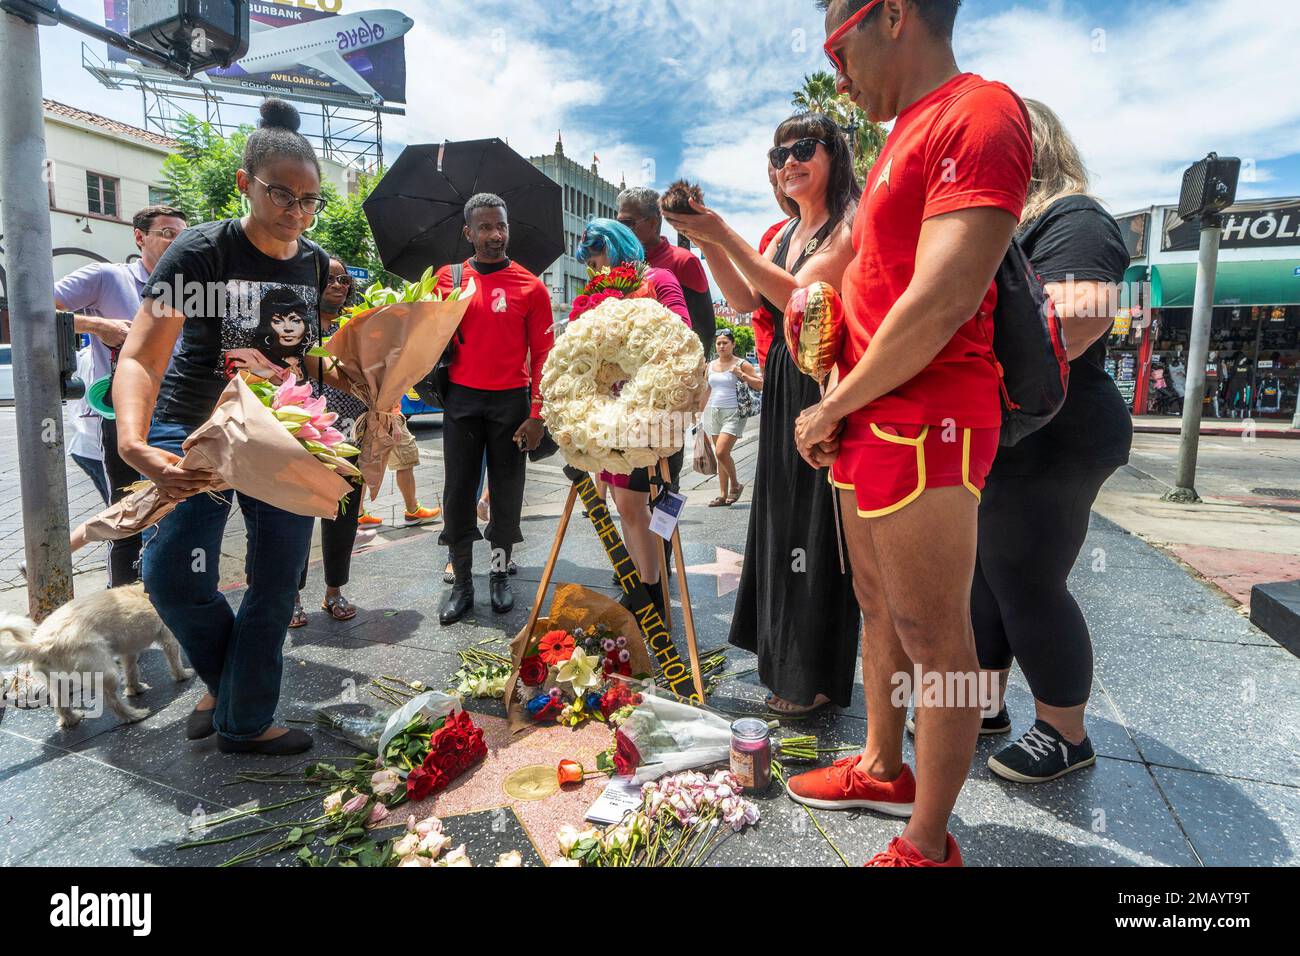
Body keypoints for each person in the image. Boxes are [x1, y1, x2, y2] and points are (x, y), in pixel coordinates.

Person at [789, 0, 1033, 867]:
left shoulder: (981, 110)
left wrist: (833, 403)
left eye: (834, 40)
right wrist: (811, 314)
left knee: (939, 639)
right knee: (878, 608)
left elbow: (943, 298)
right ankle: (884, 765)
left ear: (891, 13)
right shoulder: (899, 137)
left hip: (925, 416)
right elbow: (849, 269)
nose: (836, 64)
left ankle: (929, 844)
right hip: (868, 411)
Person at [114, 99, 338, 756]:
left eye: (309, 201)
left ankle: (244, 719)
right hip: (195, 427)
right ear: (244, 183)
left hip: (282, 434)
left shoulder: (315, 261)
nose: (296, 213)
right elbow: (140, 355)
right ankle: (227, 683)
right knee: (173, 579)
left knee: (276, 582)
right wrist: (134, 444)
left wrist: (354, 390)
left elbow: (304, 355)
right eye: (281, 195)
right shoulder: (200, 252)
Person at [665, 112, 860, 718]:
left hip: (823, 381)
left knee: (813, 527)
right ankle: (782, 661)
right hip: (780, 379)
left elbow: (796, 297)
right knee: (777, 521)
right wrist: (705, 238)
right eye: (779, 155)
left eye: (804, 148)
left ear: (834, 155)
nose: (789, 162)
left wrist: (722, 232)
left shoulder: (849, 225)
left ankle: (815, 677)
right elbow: (746, 296)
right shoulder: (780, 232)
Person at [968, 99, 1132, 785]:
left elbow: (1083, 314)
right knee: (988, 576)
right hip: (1013, 433)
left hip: (1058, 433)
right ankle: (982, 706)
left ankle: (1066, 731)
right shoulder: (1011, 223)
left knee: (1027, 578)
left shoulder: (1074, 216)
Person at [434, 193, 553, 625]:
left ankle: (499, 575)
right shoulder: (446, 280)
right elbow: (425, 340)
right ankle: (463, 581)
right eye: (484, 227)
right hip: (461, 400)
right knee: (458, 492)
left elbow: (543, 354)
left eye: (500, 225)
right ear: (468, 232)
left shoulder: (530, 286)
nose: (495, 235)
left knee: (507, 494)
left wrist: (537, 414)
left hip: (511, 403)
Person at [55, 204, 189, 584]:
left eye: (183, 235)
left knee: (164, 515)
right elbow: (32, 308)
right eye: (166, 233)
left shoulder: (187, 292)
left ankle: (159, 601)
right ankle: (123, 607)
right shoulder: (107, 277)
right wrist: (97, 325)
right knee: (128, 516)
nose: (176, 242)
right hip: (117, 422)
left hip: (173, 420)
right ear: (139, 237)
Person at [571, 218, 692, 618]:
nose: (594, 264)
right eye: (589, 259)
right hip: (612, 413)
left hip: (656, 412)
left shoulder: (658, 278)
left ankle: (653, 589)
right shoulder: (594, 292)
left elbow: (682, 334)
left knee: (650, 503)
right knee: (626, 504)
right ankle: (644, 584)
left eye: (597, 253)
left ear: (616, 245)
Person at [291, 258, 370, 627]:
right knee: (297, 518)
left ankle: (334, 591)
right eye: (329, 279)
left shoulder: (357, 325)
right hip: (304, 434)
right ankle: (290, 595)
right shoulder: (296, 325)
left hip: (351, 433)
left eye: (343, 279)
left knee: (343, 516)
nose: (338, 285)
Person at [617, 186, 715, 354]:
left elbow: (704, 332)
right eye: (618, 224)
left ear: (654, 222)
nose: (621, 231)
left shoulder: (684, 261)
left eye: (628, 223)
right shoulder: (620, 264)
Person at [702, 329, 762, 506]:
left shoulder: (741, 364)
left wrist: (741, 375)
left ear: (733, 344)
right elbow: (707, 390)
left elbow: (760, 385)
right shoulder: (710, 366)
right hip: (715, 412)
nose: (721, 346)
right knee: (721, 455)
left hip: (735, 412)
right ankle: (722, 495)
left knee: (721, 451)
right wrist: (697, 412)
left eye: (725, 343)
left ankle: (735, 485)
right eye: (718, 343)